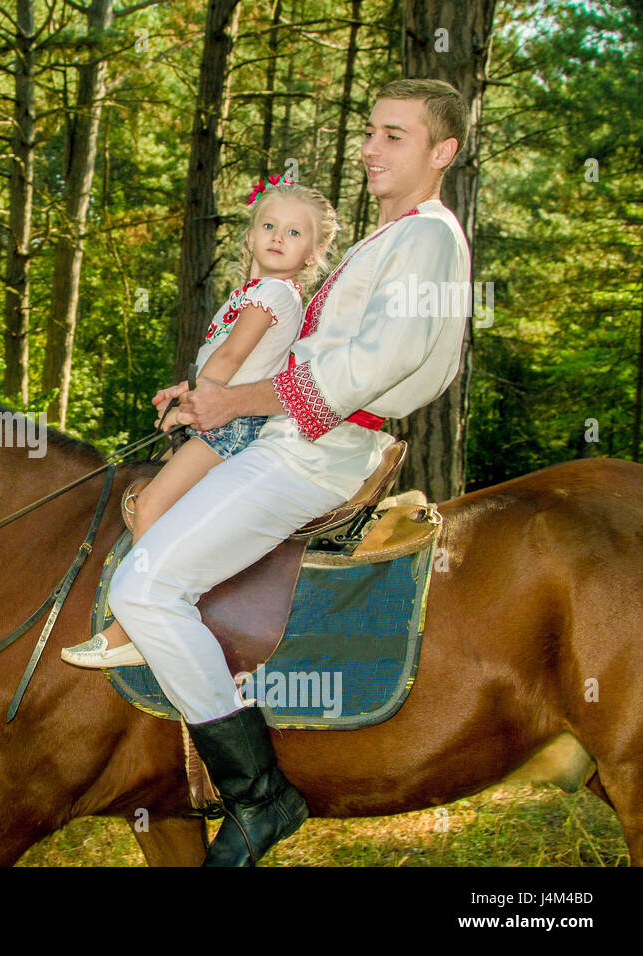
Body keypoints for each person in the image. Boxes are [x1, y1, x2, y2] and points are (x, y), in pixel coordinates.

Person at [104, 78, 473, 866]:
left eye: (396, 136)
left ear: (442, 152)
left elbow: (378, 363)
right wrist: (218, 400)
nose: (372, 147)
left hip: (322, 450)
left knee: (143, 586)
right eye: (371, 131)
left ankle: (259, 797)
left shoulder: (429, 238)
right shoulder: (390, 239)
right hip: (294, 436)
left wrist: (236, 397)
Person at [61, 178, 339, 668]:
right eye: (270, 225)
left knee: (150, 505)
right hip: (219, 415)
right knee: (142, 502)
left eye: (294, 233)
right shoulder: (255, 292)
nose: (278, 237)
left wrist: (192, 404)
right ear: (250, 236)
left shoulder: (273, 293)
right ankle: (171, 598)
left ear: (313, 254)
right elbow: (229, 362)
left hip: (230, 428)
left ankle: (139, 622)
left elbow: (230, 358)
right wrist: (186, 392)